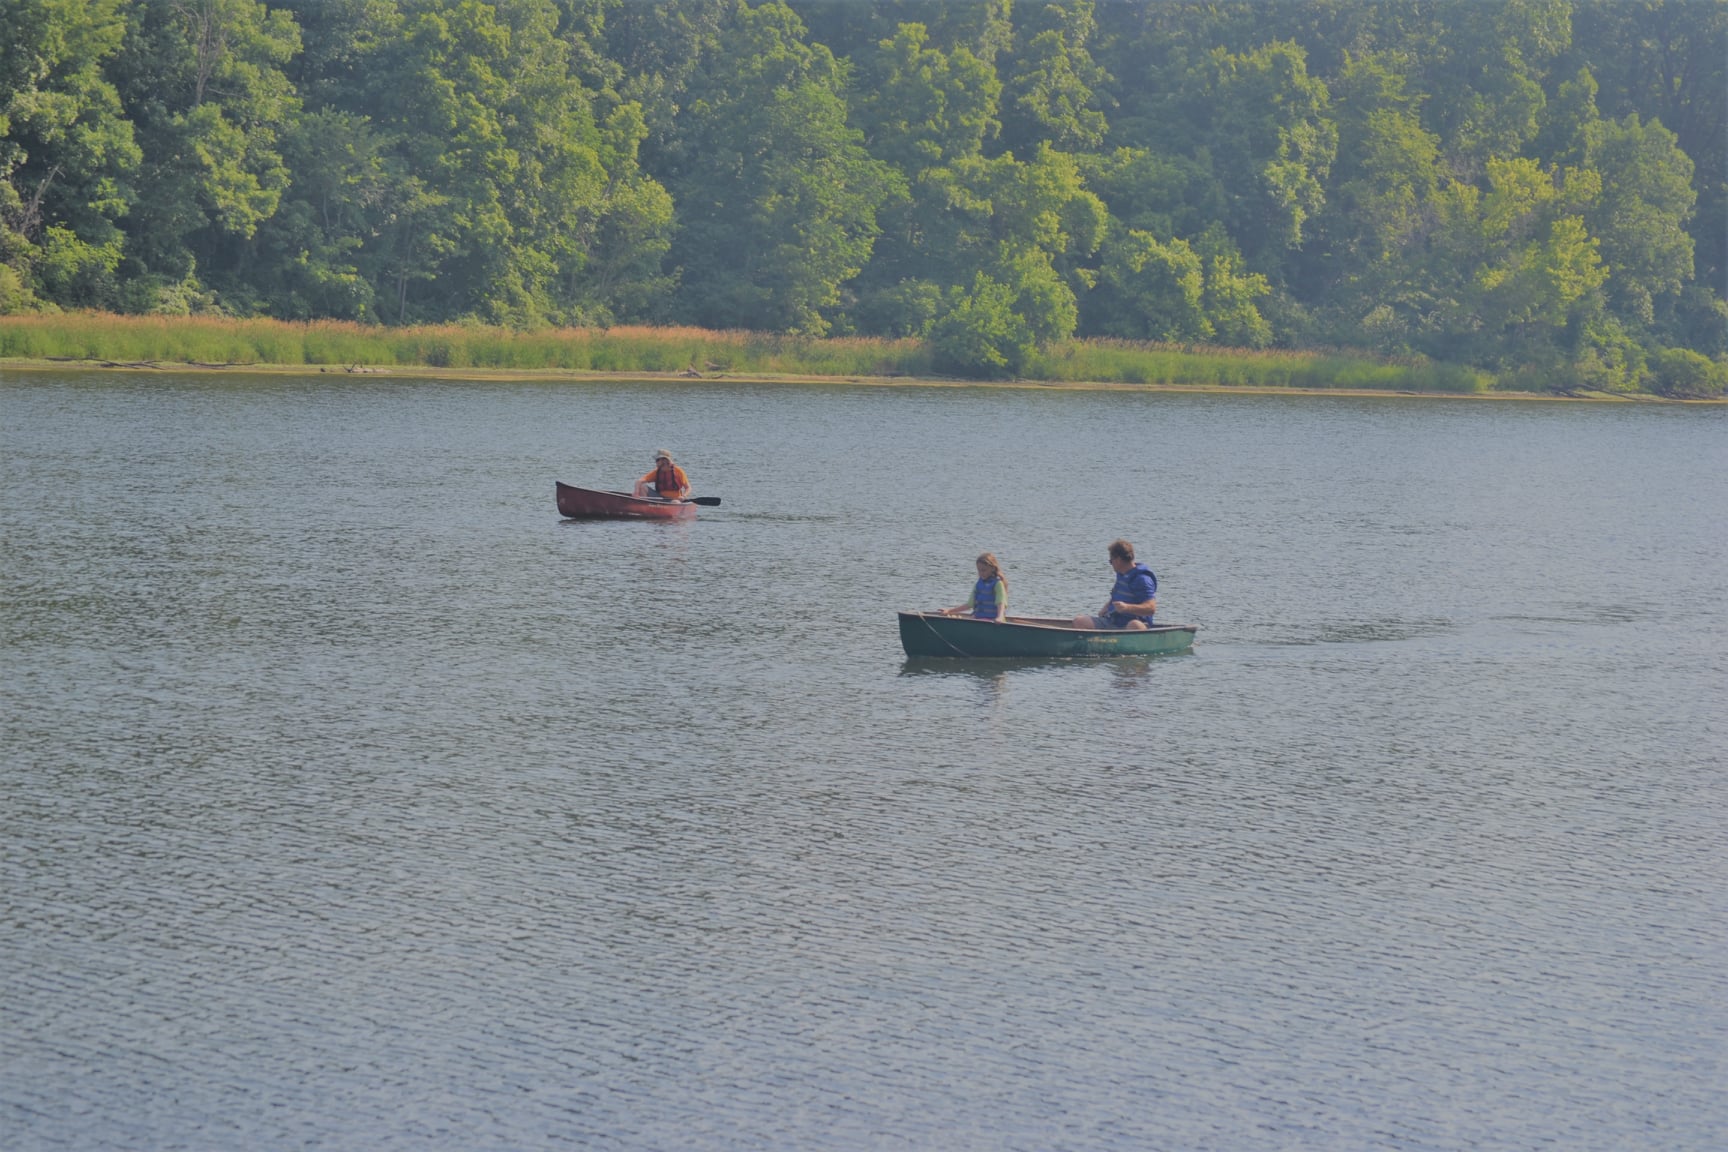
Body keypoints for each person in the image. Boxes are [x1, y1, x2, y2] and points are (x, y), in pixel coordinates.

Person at [1073, 538, 1156, 630]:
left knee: (1134, 625)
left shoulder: (1142, 579)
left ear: (1118, 560)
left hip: (1133, 624)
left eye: (1111, 561)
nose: (1111, 564)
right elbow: (1117, 595)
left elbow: (1151, 608)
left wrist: (1127, 608)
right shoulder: (1121, 574)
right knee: (1079, 621)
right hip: (1112, 620)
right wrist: (1106, 606)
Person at [942, 553, 1009, 622]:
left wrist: (999, 617)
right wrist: (949, 611)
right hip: (979, 618)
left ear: (992, 568)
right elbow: (969, 604)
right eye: (979, 570)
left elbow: (1001, 602)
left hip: (993, 620)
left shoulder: (997, 584)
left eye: (983, 570)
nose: (980, 573)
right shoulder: (978, 585)